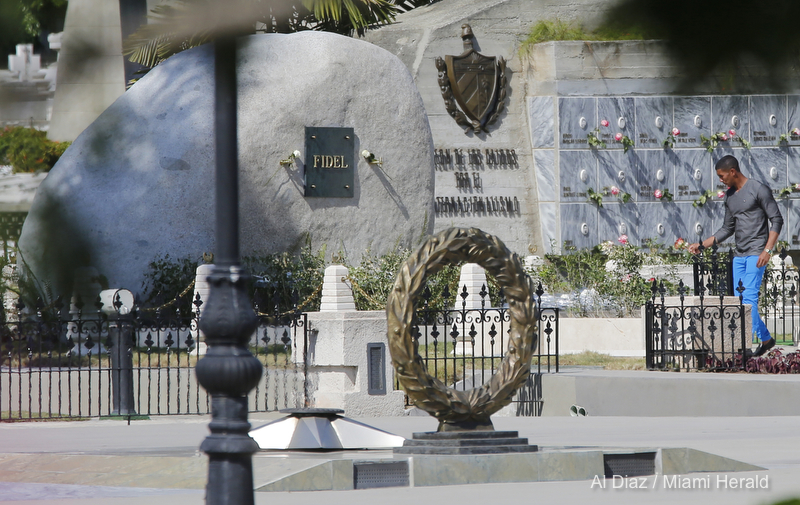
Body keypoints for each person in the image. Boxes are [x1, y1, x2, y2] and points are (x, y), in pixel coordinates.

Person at [688, 155, 783, 357]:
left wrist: (768, 250)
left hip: (757, 253)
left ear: (733, 171)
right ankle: (765, 339)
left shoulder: (758, 189)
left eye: (722, 176)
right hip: (739, 256)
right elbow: (727, 228)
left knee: (748, 299)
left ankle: (755, 343)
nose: (720, 180)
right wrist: (701, 245)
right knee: (739, 301)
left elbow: (776, 220)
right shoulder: (730, 196)